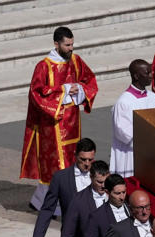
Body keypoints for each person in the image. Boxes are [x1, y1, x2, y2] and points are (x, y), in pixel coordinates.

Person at [21, 27, 98, 210]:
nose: (71, 48)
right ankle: (52, 205)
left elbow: (90, 81)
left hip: (72, 122)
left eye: (72, 44)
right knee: (54, 166)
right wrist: (63, 91)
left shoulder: (76, 61)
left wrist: (78, 89)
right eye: (67, 45)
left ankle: (42, 202)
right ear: (56, 44)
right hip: (52, 123)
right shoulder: (44, 66)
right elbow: (36, 94)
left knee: (72, 161)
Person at [110, 60, 155, 177]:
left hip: (152, 154)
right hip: (132, 155)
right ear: (136, 76)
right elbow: (124, 134)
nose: (151, 76)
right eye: (147, 73)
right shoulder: (124, 102)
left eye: (151, 72)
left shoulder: (152, 96)